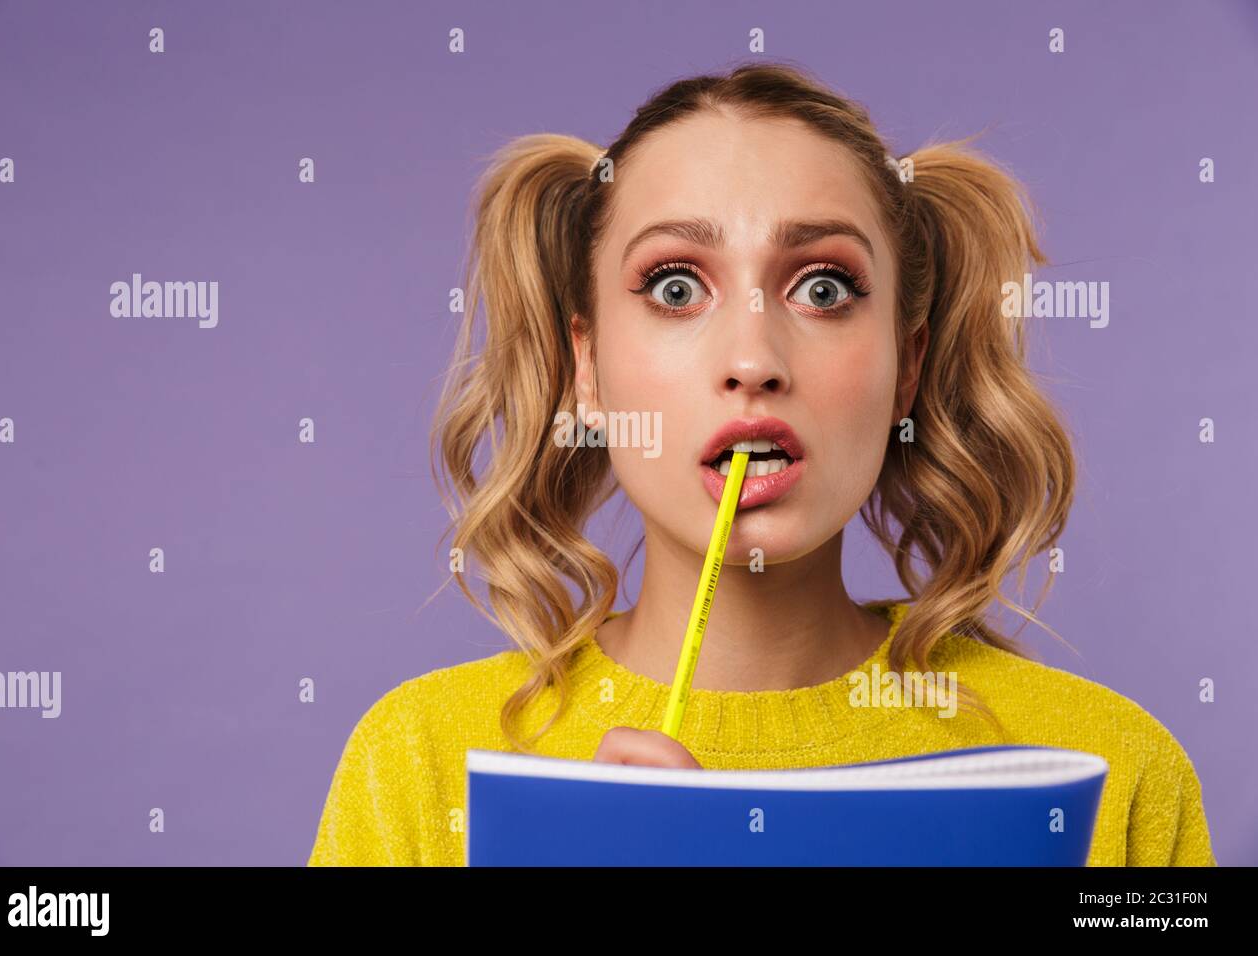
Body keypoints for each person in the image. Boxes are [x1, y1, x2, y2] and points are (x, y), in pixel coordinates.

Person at [307, 62, 1214, 867]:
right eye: (674, 286)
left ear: (907, 367)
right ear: (586, 369)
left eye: (824, 288)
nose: (752, 356)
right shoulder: (420, 767)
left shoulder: (1111, 775)